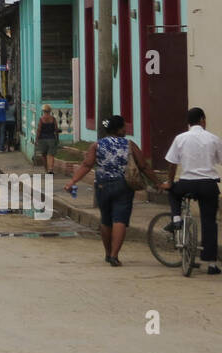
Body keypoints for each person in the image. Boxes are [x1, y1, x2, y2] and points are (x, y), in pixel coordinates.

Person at [65, 114, 157, 267]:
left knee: (106, 220)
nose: (125, 130)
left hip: (102, 185)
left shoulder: (97, 145)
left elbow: (87, 165)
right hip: (123, 185)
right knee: (120, 219)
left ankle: (108, 253)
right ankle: (115, 255)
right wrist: (157, 183)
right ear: (120, 129)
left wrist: (72, 181)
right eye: (124, 127)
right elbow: (143, 166)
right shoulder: (129, 145)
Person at [163, 107, 222, 275]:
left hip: (187, 183)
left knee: (173, 191)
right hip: (208, 185)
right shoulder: (213, 139)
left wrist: (169, 181)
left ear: (188, 122)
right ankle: (211, 264)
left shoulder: (180, 138)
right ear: (203, 120)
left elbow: (172, 163)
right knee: (209, 222)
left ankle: (176, 219)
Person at [35, 105, 60, 172]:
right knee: (51, 155)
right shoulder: (53, 119)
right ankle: (50, 169)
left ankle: (46, 169)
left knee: (44, 155)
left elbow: (39, 130)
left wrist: (36, 139)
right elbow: (56, 129)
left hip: (42, 139)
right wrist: (57, 139)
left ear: (43, 111)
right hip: (52, 138)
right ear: (50, 111)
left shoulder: (41, 119)